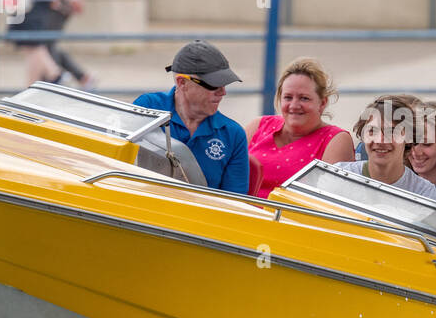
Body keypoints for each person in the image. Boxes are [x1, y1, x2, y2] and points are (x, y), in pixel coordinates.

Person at [133, 40, 249, 193]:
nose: (222, 92)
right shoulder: (147, 109)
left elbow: (235, 204)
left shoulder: (232, 134)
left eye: (225, 84)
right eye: (213, 84)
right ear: (182, 83)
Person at [245, 57, 353, 199]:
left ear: (322, 103)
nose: (294, 105)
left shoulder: (335, 140)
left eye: (304, 98)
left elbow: (328, 202)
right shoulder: (258, 126)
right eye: (288, 97)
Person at [336, 94, 436, 202]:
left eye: (391, 131)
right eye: (372, 130)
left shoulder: (426, 195)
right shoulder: (338, 177)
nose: (380, 140)